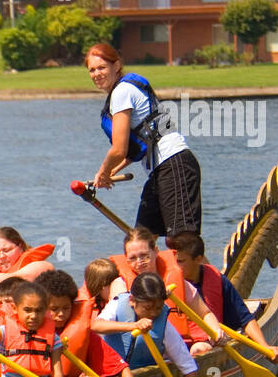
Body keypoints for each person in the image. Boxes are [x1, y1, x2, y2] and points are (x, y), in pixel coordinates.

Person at [85, 41, 202, 238]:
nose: (97, 74)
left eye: (102, 67)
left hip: (173, 165)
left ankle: (212, 271)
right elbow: (138, 145)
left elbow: (119, 149)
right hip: (161, 170)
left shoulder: (122, 92)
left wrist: (103, 172)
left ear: (117, 65)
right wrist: (112, 171)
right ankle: (147, 270)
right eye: (92, 70)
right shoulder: (122, 91)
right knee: (142, 240)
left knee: (183, 242)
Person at [92, 271, 199, 377]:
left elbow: (188, 366)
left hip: (137, 374)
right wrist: (134, 326)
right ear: (132, 301)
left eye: (158, 308)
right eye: (148, 308)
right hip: (108, 371)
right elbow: (96, 326)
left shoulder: (164, 326)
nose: (154, 313)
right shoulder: (117, 305)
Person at [168, 232, 278, 362]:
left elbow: (245, 319)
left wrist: (265, 347)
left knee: (198, 350)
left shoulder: (217, 280)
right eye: (174, 261)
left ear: (198, 259)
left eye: (180, 261)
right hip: (175, 344)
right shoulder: (167, 281)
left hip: (206, 344)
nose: (175, 266)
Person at [109, 226, 223, 352]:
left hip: (178, 345)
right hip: (139, 348)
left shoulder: (176, 281)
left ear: (156, 251)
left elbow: (205, 313)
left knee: (200, 349)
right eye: (133, 258)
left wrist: (216, 331)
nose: (139, 262)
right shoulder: (120, 285)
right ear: (126, 259)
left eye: (144, 255)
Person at [0, 281, 63, 377]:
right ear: (15, 309)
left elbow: (59, 375)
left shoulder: (54, 338)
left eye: (38, 311)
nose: (33, 316)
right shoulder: (3, 331)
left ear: (45, 310)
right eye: (27, 310)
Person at [0, 227, 55, 302]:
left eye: (6, 250)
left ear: (21, 246)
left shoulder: (42, 266)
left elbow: (13, 280)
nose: (2, 256)